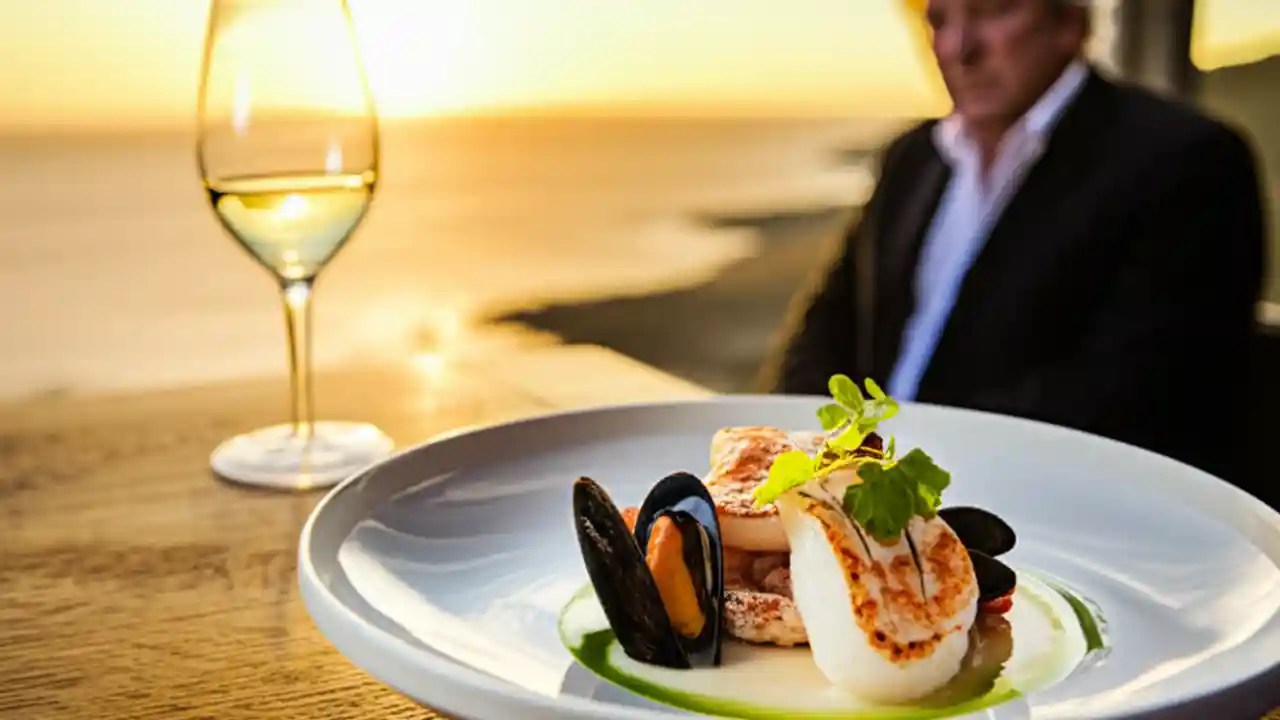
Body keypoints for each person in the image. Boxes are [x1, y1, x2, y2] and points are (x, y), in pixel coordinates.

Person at [761, 0, 1266, 480]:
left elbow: (1133, 392)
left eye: (990, 11)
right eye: (939, 19)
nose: (959, 48)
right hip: (863, 496)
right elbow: (823, 328)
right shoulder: (912, 157)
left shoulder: (1185, 159)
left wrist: (901, 472)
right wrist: (809, 458)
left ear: (1070, 23)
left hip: (1050, 514)